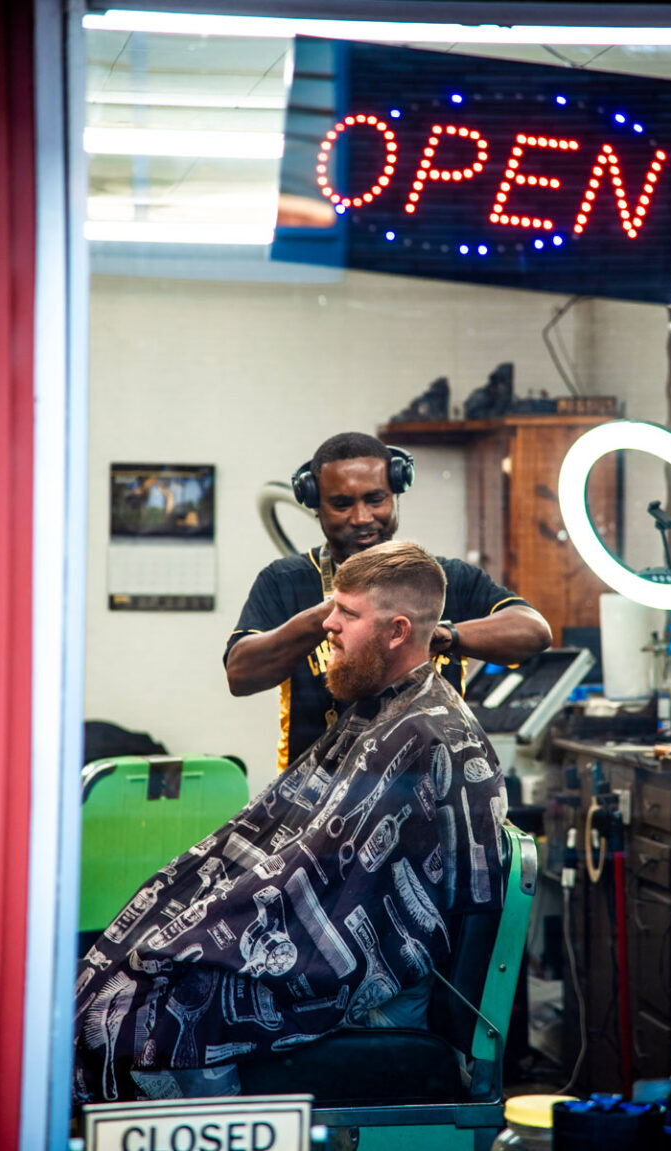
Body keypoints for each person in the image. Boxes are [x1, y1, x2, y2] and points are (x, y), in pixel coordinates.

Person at [74, 541, 508, 1106]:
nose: (327, 625)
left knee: (164, 1000)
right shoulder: (383, 711)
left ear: (397, 632)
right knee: (141, 954)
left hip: (380, 992)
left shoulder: (429, 736)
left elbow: (355, 909)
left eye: (346, 613)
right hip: (343, 954)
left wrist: (204, 941)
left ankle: (213, 1131)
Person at [225, 431, 551, 769]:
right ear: (315, 506)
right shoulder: (283, 581)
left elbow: (534, 631)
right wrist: (330, 613)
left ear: (395, 495)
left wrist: (443, 636)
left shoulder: (443, 579)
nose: (362, 518)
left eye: (375, 499)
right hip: (315, 794)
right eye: (342, 504)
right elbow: (240, 674)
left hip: (430, 788)